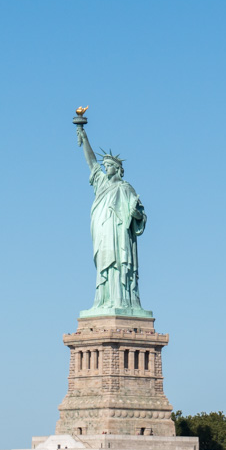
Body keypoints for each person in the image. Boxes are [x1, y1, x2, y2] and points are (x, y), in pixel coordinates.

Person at [75, 122, 147, 311]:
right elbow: (91, 163)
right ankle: (104, 301)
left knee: (120, 266)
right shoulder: (101, 183)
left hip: (120, 234)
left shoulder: (126, 188)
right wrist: (84, 138)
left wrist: (135, 214)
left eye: (109, 166)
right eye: (105, 165)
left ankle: (122, 301)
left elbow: (140, 215)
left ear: (117, 168)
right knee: (105, 266)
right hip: (103, 232)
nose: (106, 168)